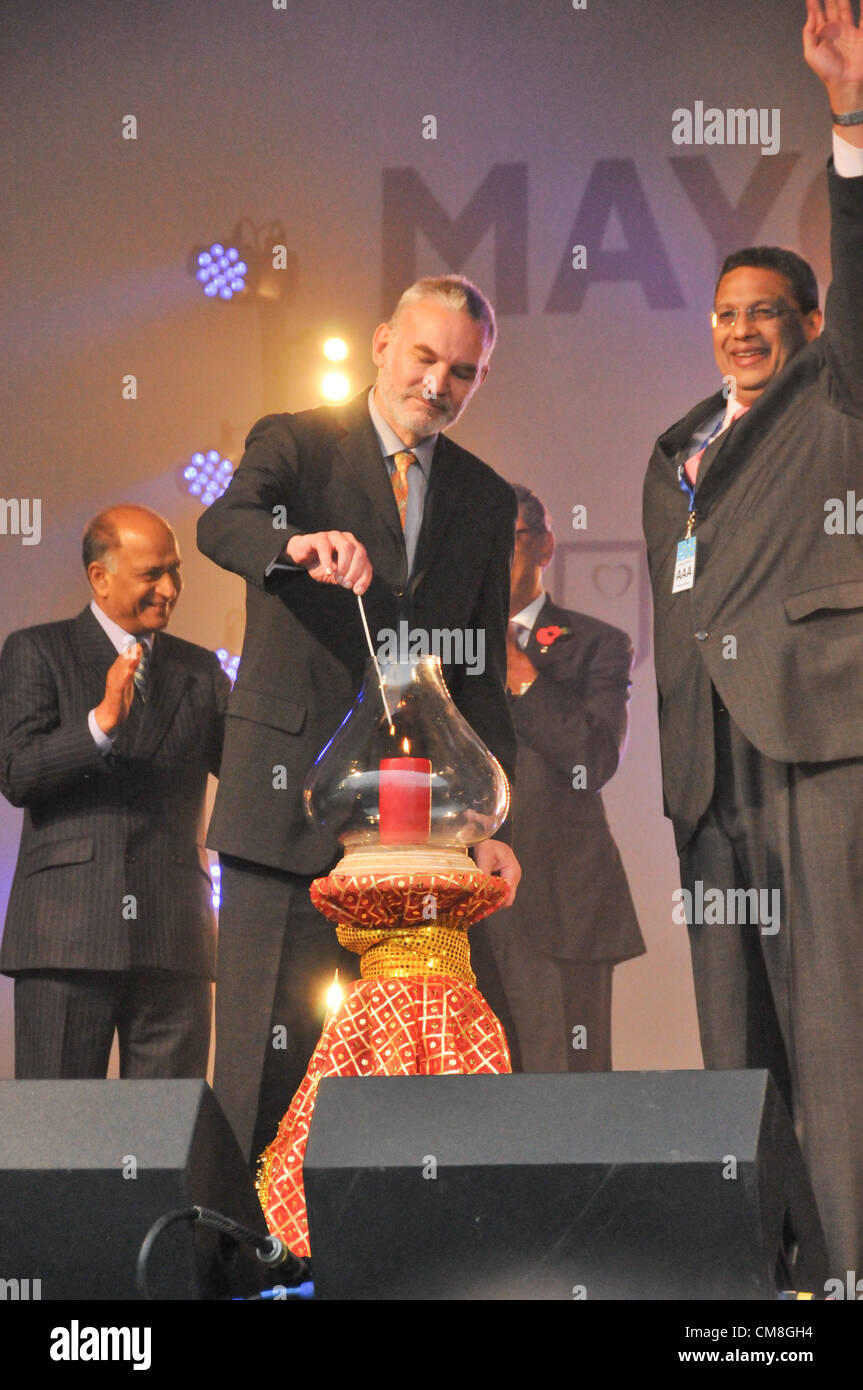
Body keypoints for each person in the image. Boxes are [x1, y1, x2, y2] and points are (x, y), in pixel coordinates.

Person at [197, 275, 520, 1164]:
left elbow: (478, 677)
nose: (437, 384)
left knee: (410, 1075)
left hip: (415, 836)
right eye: (423, 357)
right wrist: (290, 546)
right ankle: (239, 1266)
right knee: (262, 1068)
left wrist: (490, 824)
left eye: (462, 371)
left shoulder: (486, 499)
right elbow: (221, 523)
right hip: (283, 808)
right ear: (381, 343)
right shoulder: (298, 444)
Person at [642, 0, 863, 1276]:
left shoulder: (835, 402)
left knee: (837, 1042)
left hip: (816, 751)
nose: (737, 327)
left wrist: (845, 120)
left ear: (808, 323)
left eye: (764, 309)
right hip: (708, 782)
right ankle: (766, 1279)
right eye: (723, 311)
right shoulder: (673, 449)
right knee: (740, 1059)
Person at [0, 505, 229, 1079]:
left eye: (175, 572)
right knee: (55, 1143)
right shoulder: (36, 651)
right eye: (152, 573)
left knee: (166, 1141)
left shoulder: (201, 671)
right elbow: (18, 774)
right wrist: (100, 723)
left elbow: (248, 778)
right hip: (65, 938)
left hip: (174, 935)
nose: (170, 588)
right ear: (99, 577)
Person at [471, 486, 644, 1072]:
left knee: (568, 1101)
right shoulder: (447, 649)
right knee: (473, 1100)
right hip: (462, 906)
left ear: (544, 545)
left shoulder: (594, 644)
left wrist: (520, 672)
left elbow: (592, 760)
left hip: (562, 905)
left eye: (511, 542)